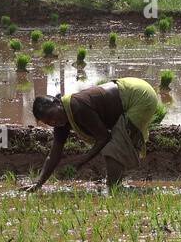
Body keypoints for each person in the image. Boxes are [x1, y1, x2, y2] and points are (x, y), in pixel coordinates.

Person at [23, 77, 161, 192]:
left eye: (52, 115)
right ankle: (115, 186)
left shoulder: (76, 107)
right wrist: (38, 184)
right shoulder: (63, 121)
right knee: (116, 143)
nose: (54, 122)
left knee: (113, 147)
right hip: (132, 91)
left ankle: (116, 188)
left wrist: (81, 160)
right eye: (48, 122)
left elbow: (103, 138)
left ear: (57, 102)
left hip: (140, 97)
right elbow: (54, 154)